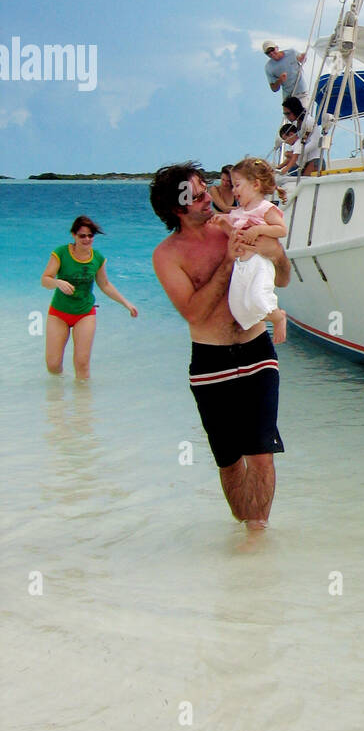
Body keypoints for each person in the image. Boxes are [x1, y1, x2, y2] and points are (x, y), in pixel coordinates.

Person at [151, 162, 291, 531]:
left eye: (205, 189)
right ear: (175, 209)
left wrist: (276, 254)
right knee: (229, 460)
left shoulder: (236, 223)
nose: (206, 199)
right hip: (211, 360)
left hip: (256, 349)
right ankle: (243, 530)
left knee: (261, 452)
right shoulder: (167, 255)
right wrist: (229, 262)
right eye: (195, 197)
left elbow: (285, 279)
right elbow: (193, 313)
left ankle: (257, 538)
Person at [41, 215, 138, 378]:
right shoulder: (61, 253)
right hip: (59, 313)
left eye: (90, 236)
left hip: (84, 313)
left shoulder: (98, 258)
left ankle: (83, 402)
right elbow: (45, 280)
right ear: (74, 235)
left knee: (82, 364)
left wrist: (126, 303)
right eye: (82, 236)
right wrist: (58, 283)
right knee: (53, 364)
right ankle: (56, 399)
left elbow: (105, 285)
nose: (86, 239)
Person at [207, 158, 288, 345]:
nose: (233, 190)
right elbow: (236, 238)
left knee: (259, 297)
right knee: (239, 306)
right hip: (241, 265)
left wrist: (259, 229)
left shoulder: (265, 208)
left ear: (255, 185)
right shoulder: (238, 213)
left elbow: (281, 229)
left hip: (259, 263)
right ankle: (256, 329)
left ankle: (278, 318)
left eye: (237, 185)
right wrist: (223, 224)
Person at [279, 96, 323, 176]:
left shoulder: (308, 121)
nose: (287, 117)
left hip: (314, 160)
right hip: (304, 161)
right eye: (285, 114)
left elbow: (315, 142)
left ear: (295, 110)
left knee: (304, 182)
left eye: (288, 114)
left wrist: (297, 153)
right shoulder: (297, 124)